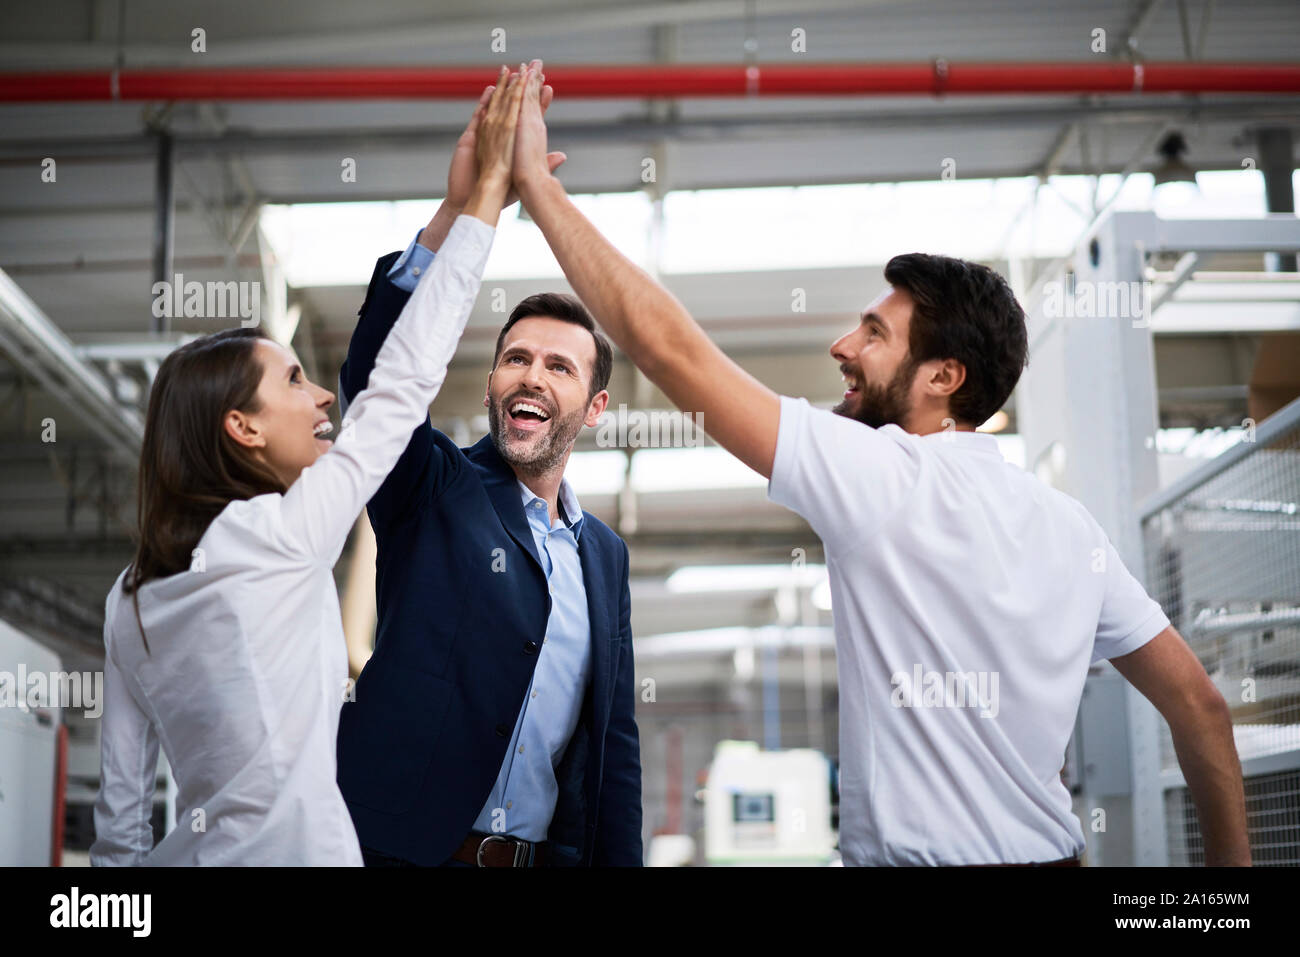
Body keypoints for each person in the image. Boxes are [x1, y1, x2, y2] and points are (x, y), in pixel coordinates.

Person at [506, 64, 1251, 866]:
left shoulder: (881, 475)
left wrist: (539, 196)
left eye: (872, 332)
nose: (841, 347)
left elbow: (667, 349)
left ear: (943, 377)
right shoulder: (1071, 527)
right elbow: (1201, 705)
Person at [88, 65, 521, 866]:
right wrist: (487, 195)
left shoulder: (129, 596)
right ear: (241, 426)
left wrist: (457, 206)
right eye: (294, 378)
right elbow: (399, 386)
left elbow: (119, 819)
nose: (322, 395)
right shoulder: (280, 533)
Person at [333, 60, 642, 868]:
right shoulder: (435, 488)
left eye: (560, 366)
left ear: (596, 406)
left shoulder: (604, 558)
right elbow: (375, 378)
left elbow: (614, 747)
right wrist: (460, 211)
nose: (531, 375)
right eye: (515, 358)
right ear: (494, 380)